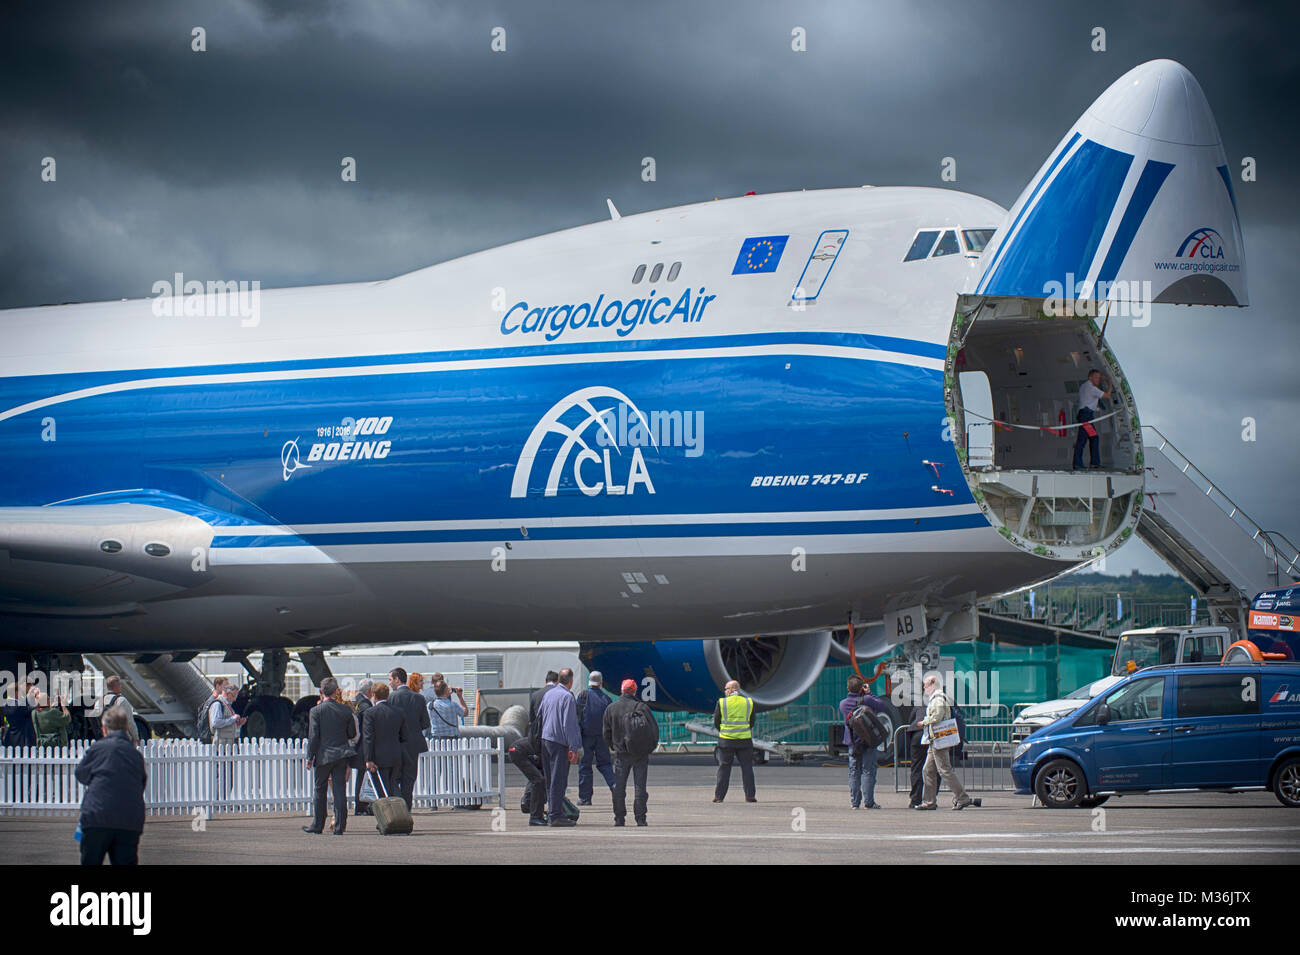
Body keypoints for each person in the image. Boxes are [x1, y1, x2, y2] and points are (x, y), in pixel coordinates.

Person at [75, 706, 147, 865]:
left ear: (104, 728)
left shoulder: (98, 749)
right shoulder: (135, 755)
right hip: (129, 819)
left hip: (97, 815)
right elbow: (141, 782)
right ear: (126, 728)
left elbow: (81, 774)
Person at [915, 674, 980, 811]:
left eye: (926, 685)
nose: (924, 687)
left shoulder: (938, 699)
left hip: (939, 740)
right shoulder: (938, 698)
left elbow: (937, 717)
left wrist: (924, 722)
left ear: (932, 684)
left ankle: (962, 798)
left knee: (944, 770)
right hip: (935, 740)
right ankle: (929, 801)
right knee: (928, 770)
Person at [304, 678, 358, 836]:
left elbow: (314, 736)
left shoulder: (316, 711)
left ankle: (318, 824)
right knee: (340, 790)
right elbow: (352, 734)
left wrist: (309, 757)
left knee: (320, 789)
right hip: (341, 754)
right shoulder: (346, 710)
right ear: (336, 692)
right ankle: (340, 825)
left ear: (321, 692)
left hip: (323, 755)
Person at [603, 678, 657, 827]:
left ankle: (619, 818)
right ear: (634, 691)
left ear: (621, 690)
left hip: (621, 753)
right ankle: (640, 818)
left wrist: (614, 746)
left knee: (619, 787)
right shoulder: (642, 707)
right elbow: (654, 731)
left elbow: (605, 733)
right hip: (640, 753)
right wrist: (649, 748)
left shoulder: (611, 708)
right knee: (640, 787)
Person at [536, 668, 581, 827]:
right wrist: (574, 747)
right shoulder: (567, 697)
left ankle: (553, 812)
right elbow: (569, 724)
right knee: (558, 779)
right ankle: (555, 815)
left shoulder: (548, 694)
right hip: (559, 742)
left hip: (545, 739)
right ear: (570, 680)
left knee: (550, 779)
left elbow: (539, 716)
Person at [839, 675, 884, 809]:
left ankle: (854, 802)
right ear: (861, 688)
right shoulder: (867, 700)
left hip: (852, 741)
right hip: (868, 740)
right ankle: (869, 802)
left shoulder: (843, 704)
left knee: (854, 771)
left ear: (848, 688)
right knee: (868, 771)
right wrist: (869, 693)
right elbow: (882, 706)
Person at [363, 682, 408, 814]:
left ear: (374, 695)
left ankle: (387, 817)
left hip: (378, 756)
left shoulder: (370, 713)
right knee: (392, 786)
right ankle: (398, 814)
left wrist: (368, 758)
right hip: (395, 754)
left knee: (380, 790)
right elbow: (404, 736)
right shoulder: (398, 712)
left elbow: (368, 738)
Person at [388, 667, 430, 809]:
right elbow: (425, 723)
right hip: (413, 744)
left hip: (396, 744)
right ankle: (406, 808)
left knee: (393, 778)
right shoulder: (419, 698)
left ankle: (398, 805)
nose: (389, 683)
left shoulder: (392, 698)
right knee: (409, 780)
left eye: (390, 680)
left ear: (397, 679)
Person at [712, 680, 757, 803]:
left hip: (726, 741)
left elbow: (717, 721)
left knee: (724, 768)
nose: (725, 691)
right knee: (747, 768)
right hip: (745, 740)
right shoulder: (748, 702)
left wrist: (724, 731)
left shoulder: (722, 702)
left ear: (732, 689)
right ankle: (750, 796)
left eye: (726, 689)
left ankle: (719, 796)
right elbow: (752, 721)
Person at [575, 671, 616, 805]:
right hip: (602, 738)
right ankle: (615, 786)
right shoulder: (607, 698)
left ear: (589, 681)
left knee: (585, 766)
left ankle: (585, 798)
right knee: (605, 765)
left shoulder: (583, 696)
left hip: (585, 737)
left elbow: (577, 717)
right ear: (601, 683)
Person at [428, 679, 468, 807]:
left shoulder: (430, 705)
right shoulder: (453, 705)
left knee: (436, 770)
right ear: (446, 691)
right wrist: (460, 697)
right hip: (452, 739)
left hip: (437, 740)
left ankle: (432, 801)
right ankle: (454, 800)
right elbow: (465, 712)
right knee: (452, 770)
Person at [209, 684, 245, 800]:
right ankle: (219, 798)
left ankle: (225, 798)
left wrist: (237, 723)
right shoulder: (218, 704)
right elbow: (215, 723)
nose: (235, 699)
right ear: (228, 693)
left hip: (228, 743)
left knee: (227, 772)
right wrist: (233, 719)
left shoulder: (228, 705)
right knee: (221, 772)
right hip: (221, 742)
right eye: (234, 696)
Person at [1073, 369, 1112, 470]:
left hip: (1085, 414)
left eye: (1099, 378)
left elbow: (1091, 399)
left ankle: (1092, 463)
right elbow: (1107, 395)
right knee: (1085, 440)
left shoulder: (1083, 386)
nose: (1098, 379)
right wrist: (1110, 382)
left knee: (1091, 438)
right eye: (1096, 377)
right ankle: (1080, 463)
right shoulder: (1092, 388)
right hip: (1086, 416)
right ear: (1090, 377)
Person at [506, 734, 549, 827]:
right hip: (517, 751)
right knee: (538, 780)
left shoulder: (547, 742)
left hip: (518, 749)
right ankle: (535, 817)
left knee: (536, 777)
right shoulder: (549, 745)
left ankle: (527, 803)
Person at [89, 675, 139, 745]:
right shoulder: (121, 700)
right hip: (121, 739)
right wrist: (136, 737)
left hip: (104, 738)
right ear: (117, 686)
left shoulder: (99, 701)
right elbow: (130, 722)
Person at [352, 679, 374, 815]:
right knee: (362, 777)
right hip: (363, 745)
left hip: (358, 745)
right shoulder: (365, 705)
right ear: (369, 690)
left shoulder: (357, 701)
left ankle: (360, 805)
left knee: (361, 776)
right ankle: (361, 806)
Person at [2, 681, 37, 747]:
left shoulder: (6, 704)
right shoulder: (17, 706)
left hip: (10, 739)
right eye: (20, 691)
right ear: (16, 692)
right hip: (21, 740)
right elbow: (29, 709)